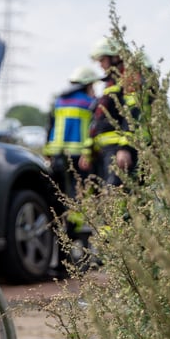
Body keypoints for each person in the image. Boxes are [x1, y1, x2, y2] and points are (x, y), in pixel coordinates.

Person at [45, 66, 99, 275]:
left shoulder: (59, 101)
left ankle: (61, 263)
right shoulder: (89, 103)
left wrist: (48, 153)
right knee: (80, 205)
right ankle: (81, 258)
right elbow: (93, 130)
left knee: (60, 208)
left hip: (58, 159)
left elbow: (50, 128)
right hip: (80, 160)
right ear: (87, 84)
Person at [79, 37, 139, 187]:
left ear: (115, 57)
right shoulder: (111, 83)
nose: (100, 64)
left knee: (116, 194)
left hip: (118, 150)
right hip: (105, 152)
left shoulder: (128, 80)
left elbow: (132, 115)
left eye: (102, 60)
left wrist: (124, 148)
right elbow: (97, 121)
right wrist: (88, 151)